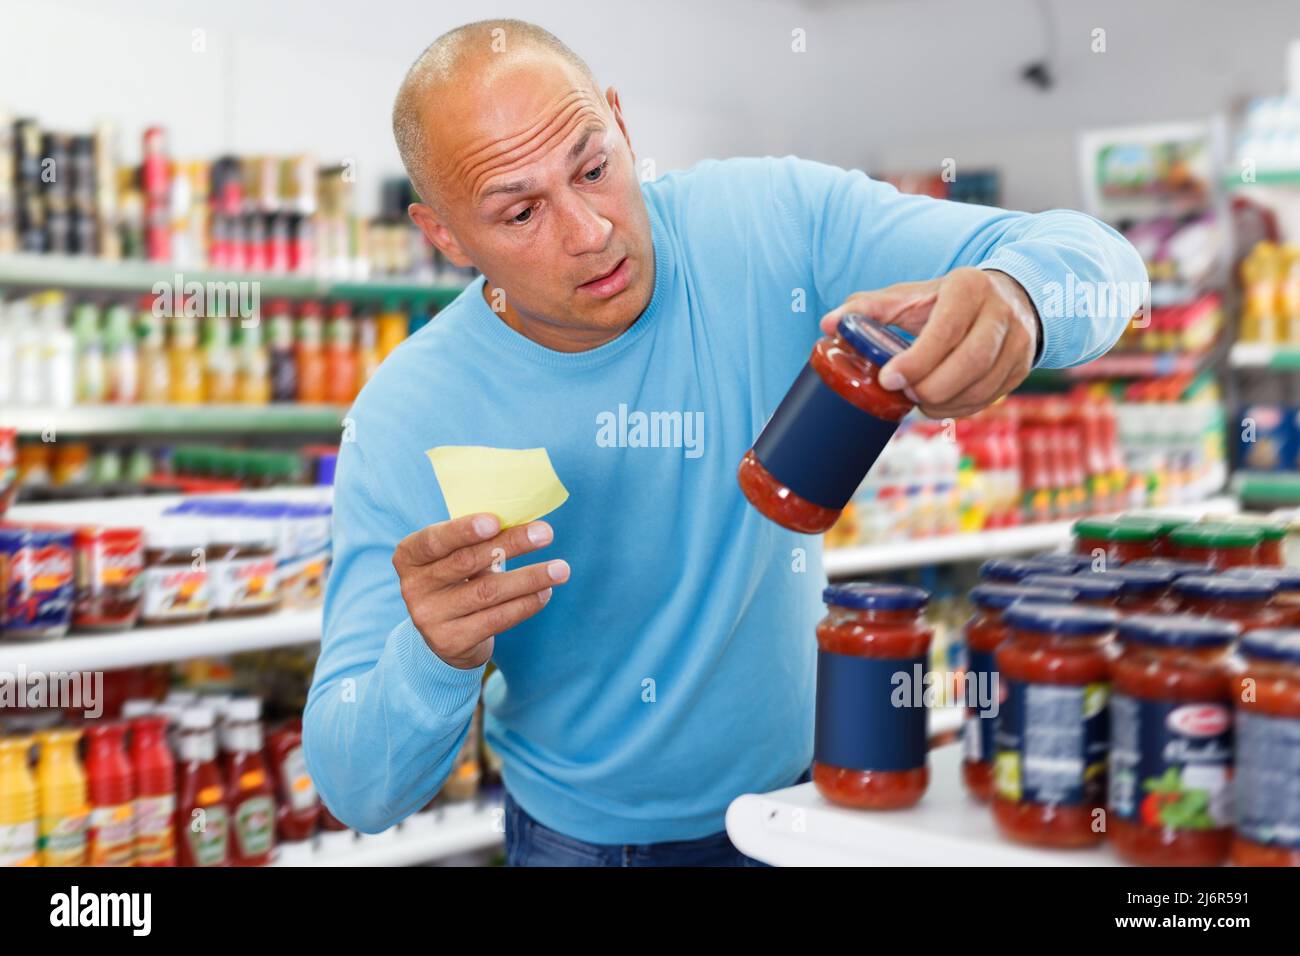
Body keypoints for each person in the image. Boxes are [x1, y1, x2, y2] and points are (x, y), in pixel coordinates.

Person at [302, 18, 1146, 866]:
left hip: (810, 813)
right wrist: (433, 654)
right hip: (578, 846)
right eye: (520, 212)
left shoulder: (767, 219)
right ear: (443, 235)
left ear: (623, 124)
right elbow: (358, 790)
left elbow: (1103, 260)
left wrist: (1020, 299)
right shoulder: (408, 413)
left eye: (595, 170)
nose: (589, 230)